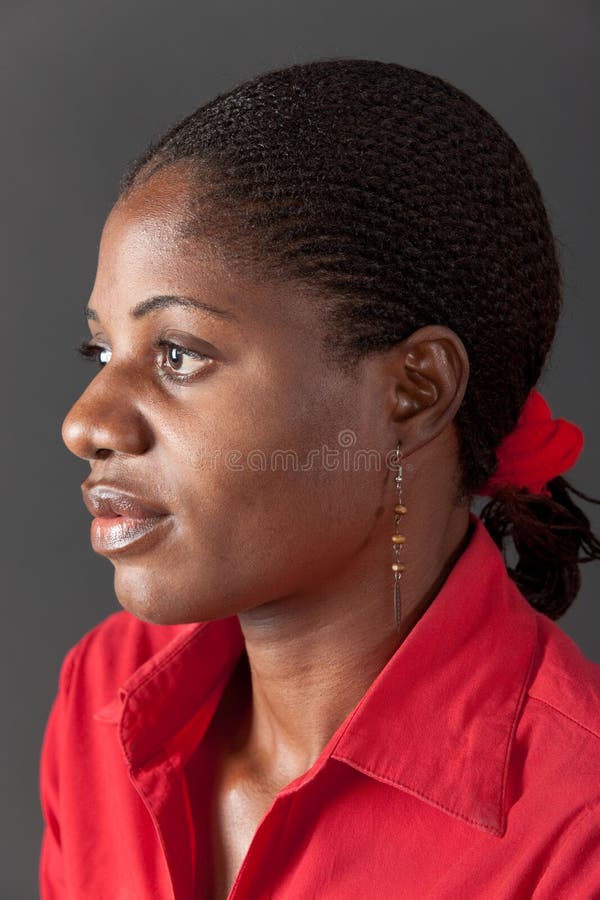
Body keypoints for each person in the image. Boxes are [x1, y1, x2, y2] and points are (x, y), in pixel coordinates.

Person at [40, 58, 600, 899]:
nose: (85, 423)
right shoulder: (103, 696)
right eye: (102, 352)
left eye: (179, 353)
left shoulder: (576, 828)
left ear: (413, 390)